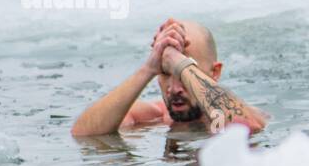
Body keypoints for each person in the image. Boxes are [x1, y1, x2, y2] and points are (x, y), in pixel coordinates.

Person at [71, 18, 267, 137]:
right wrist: (148, 69)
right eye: (166, 73)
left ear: (214, 72)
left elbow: (247, 127)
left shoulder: (242, 112)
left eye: (186, 71)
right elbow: (83, 133)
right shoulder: (153, 116)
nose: (174, 89)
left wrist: (177, 61)